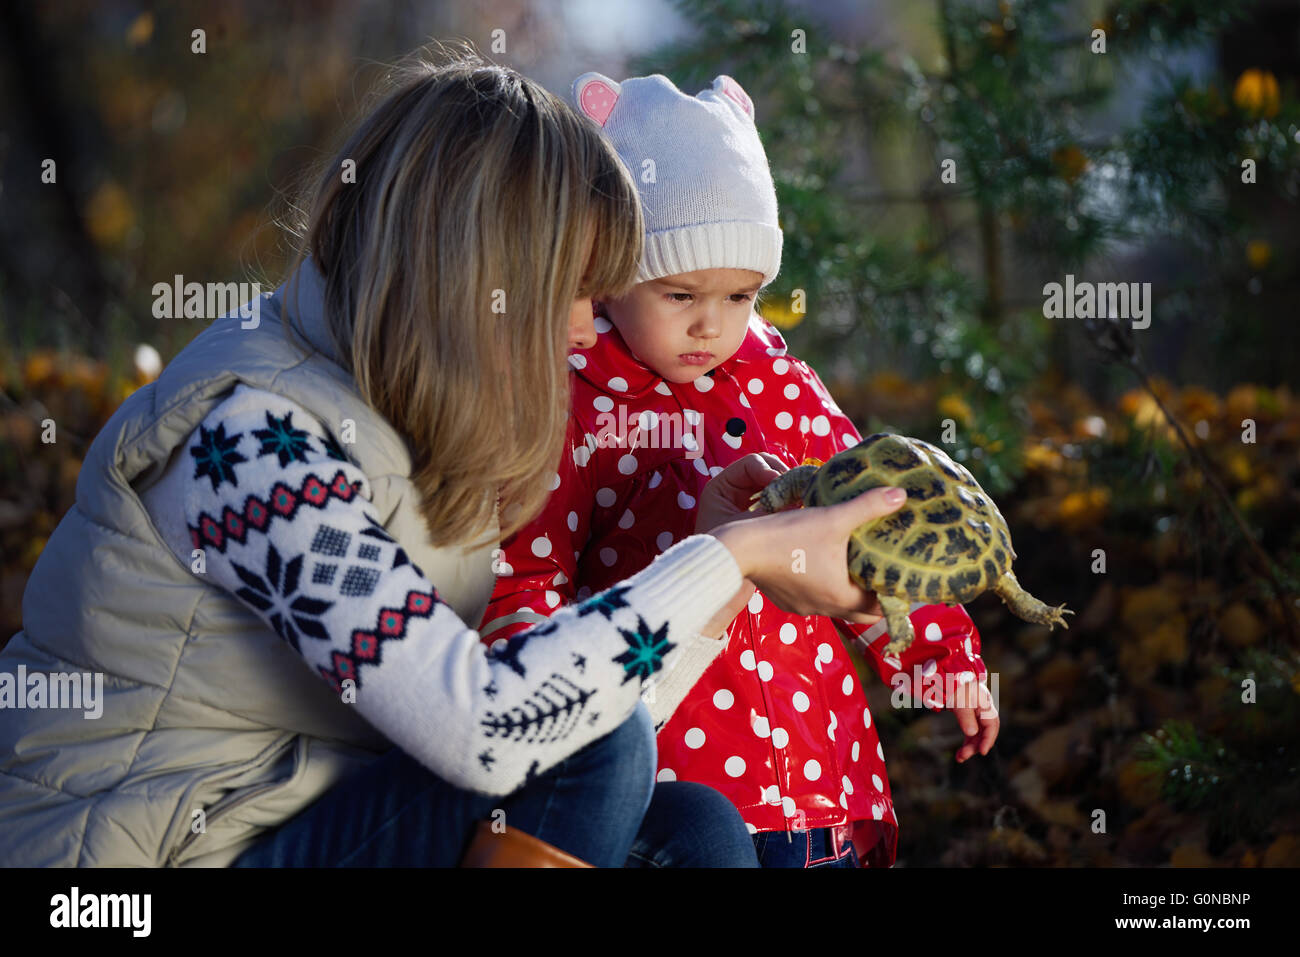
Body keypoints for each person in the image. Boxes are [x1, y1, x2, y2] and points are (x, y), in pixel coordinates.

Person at [0, 49, 907, 869]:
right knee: (604, 748)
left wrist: (718, 575)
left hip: (304, 814)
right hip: (141, 860)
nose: (588, 328)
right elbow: (484, 726)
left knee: (696, 826)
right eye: (571, 291)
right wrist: (731, 556)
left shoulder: (423, 418)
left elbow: (559, 721)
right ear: (481, 283)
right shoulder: (245, 444)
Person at [481, 71, 997, 869]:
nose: (710, 325)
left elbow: (866, 532)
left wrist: (941, 658)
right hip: (684, 779)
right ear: (610, 271)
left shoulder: (784, 390)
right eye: (680, 291)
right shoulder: (574, 404)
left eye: (741, 296)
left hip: (821, 768)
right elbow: (530, 582)